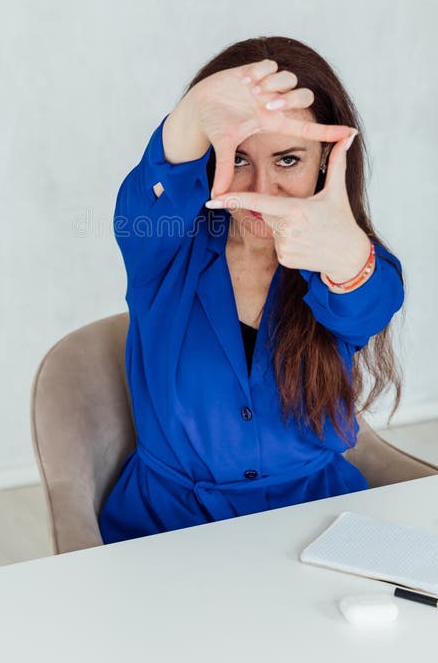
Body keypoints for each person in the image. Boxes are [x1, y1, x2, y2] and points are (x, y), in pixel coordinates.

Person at [99, 36, 404, 543]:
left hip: (316, 522)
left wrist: (348, 258)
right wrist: (193, 112)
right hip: (168, 531)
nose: (262, 190)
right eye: (239, 158)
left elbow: (373, 303)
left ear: (325, 161)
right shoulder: (164, 245)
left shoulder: (338, 256)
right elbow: (146, 198)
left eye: (287, 160)